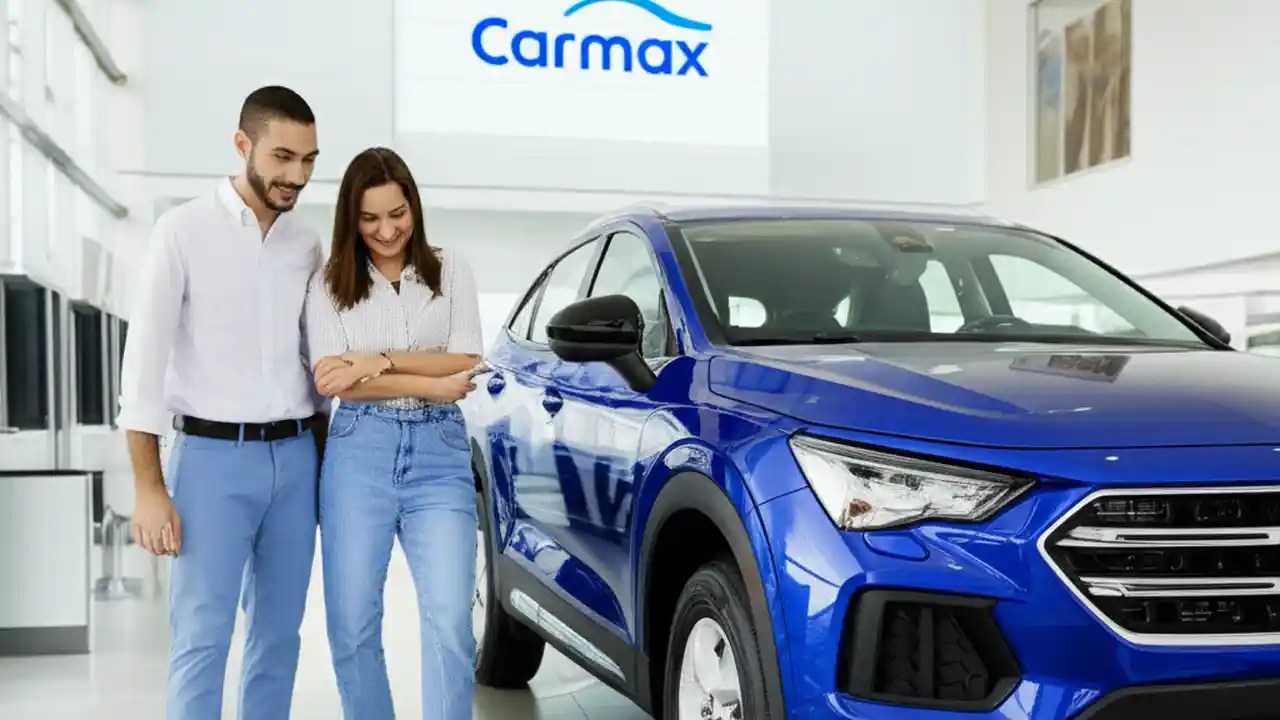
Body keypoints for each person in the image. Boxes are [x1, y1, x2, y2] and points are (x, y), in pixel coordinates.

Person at [117, 85, 327, 720]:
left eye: (310, 160)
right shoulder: (181, 230)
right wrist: (149, 488)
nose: (296, 175)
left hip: (295, 460)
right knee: (202, 639)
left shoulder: (306, 242)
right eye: (283, 157)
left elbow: (315, 362)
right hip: (209, 459)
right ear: (243, 145)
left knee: (278, 638)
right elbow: (143, 367)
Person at [304, 146, 485, 720]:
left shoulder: (449, 267)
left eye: (398, 213)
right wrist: (427, 382)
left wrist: (374, 358)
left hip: (441, 456)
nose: (387, 230)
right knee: (353, 623)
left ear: (414, 207)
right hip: (360, 452)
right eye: (370, 218)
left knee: (452, 623)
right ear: (350, 219)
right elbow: (336, 382)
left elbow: (466, 357)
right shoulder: (328, 283)